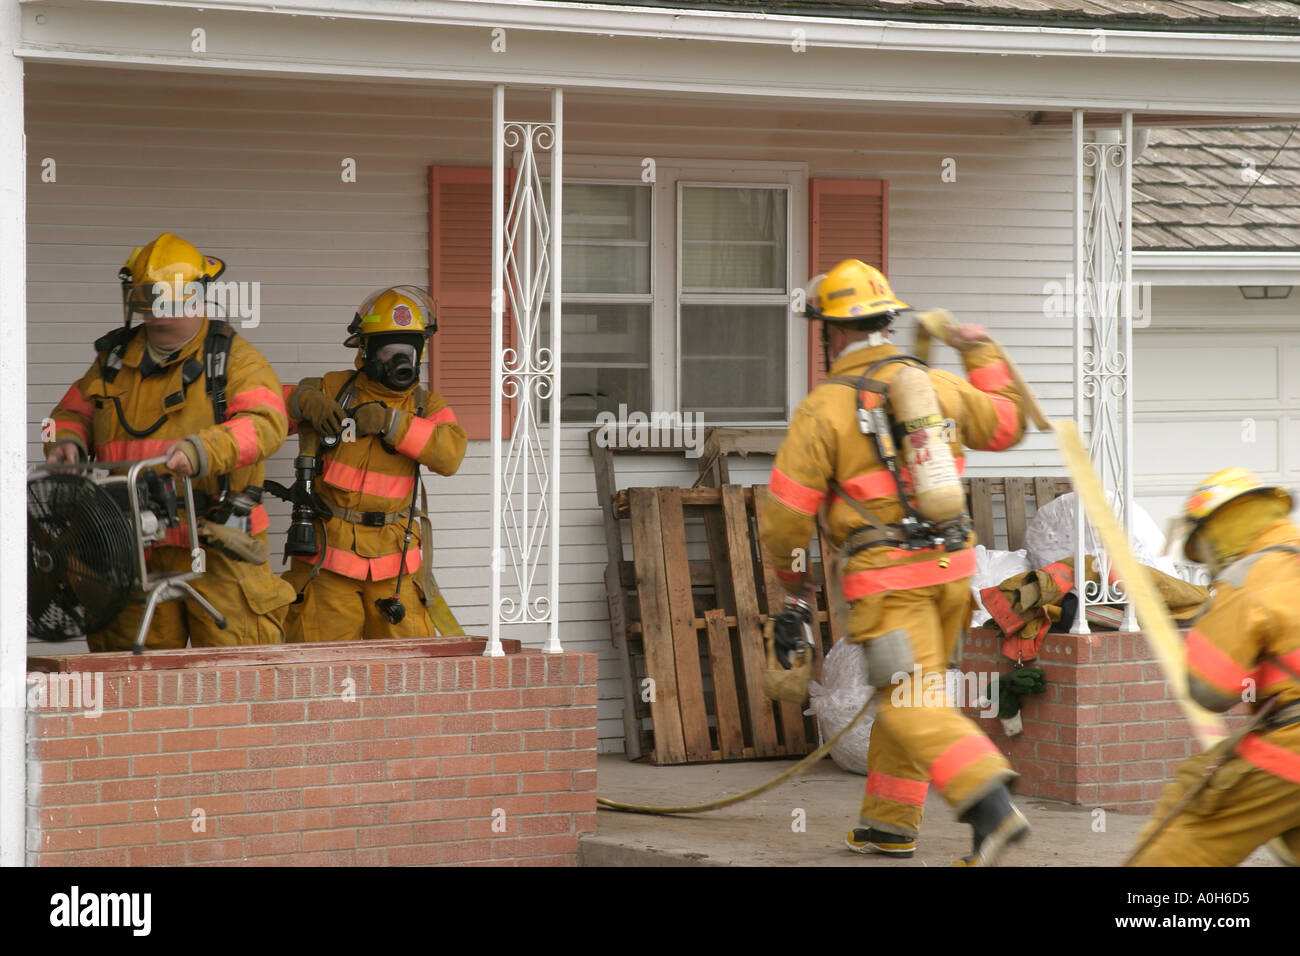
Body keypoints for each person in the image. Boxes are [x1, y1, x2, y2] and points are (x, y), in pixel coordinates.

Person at [758, 258, 1030, 865]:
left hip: (889, 586)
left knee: (908, 700)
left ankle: (988, 800)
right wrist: (977, 350)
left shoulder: (823, 408)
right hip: (955, 573)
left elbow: (785, 520)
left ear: (828, 331)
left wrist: (792, 590)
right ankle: (888, 826)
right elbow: (1006, 424)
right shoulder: (934, 384)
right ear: (888, 319)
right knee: (914, 695)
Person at [44, 232, 296, 650]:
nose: (159, 320)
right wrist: (65, 442)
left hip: (218, 546)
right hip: (130, 545)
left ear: (198, 300)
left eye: (170, 309)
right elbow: (68, 415)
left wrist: (202, 452)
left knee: (235, 677)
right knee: (130, 674)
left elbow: (268, 423)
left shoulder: (234, 359)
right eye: (149, 309)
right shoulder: (112, 360)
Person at [1129, 468, 1300, 866]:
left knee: (1190, 825)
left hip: (1291, 747)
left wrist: (1214, 621)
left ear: (1217, 532)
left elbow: (1211, 690)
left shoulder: (1245, 579)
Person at [282, 286, 467, 641]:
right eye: (388, 350)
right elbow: (261, 412)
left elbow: (450, 455)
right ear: (365, 352)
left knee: (407, 673)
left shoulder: (426, 406)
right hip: (328, 565)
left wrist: (391, 423)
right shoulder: (333, 389)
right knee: (327, 670)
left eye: (407, 351)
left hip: (395, 568)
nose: (400, 361)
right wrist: (303, 400)